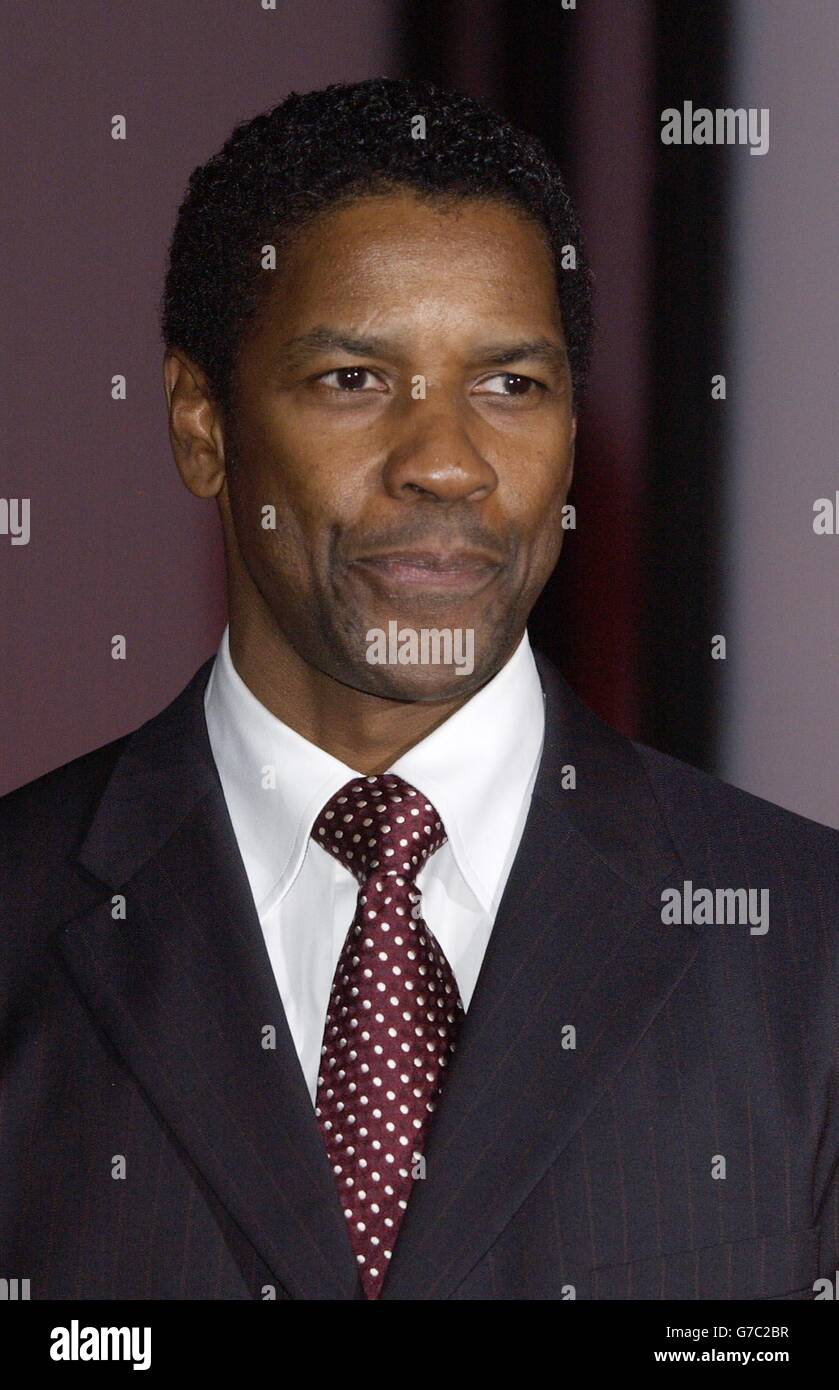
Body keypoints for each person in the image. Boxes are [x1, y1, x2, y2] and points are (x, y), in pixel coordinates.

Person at [1, 78, 836, 1301]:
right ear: (201, 424)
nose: (445, 461)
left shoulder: (804, 951)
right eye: (352, 379)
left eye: (511, 385)